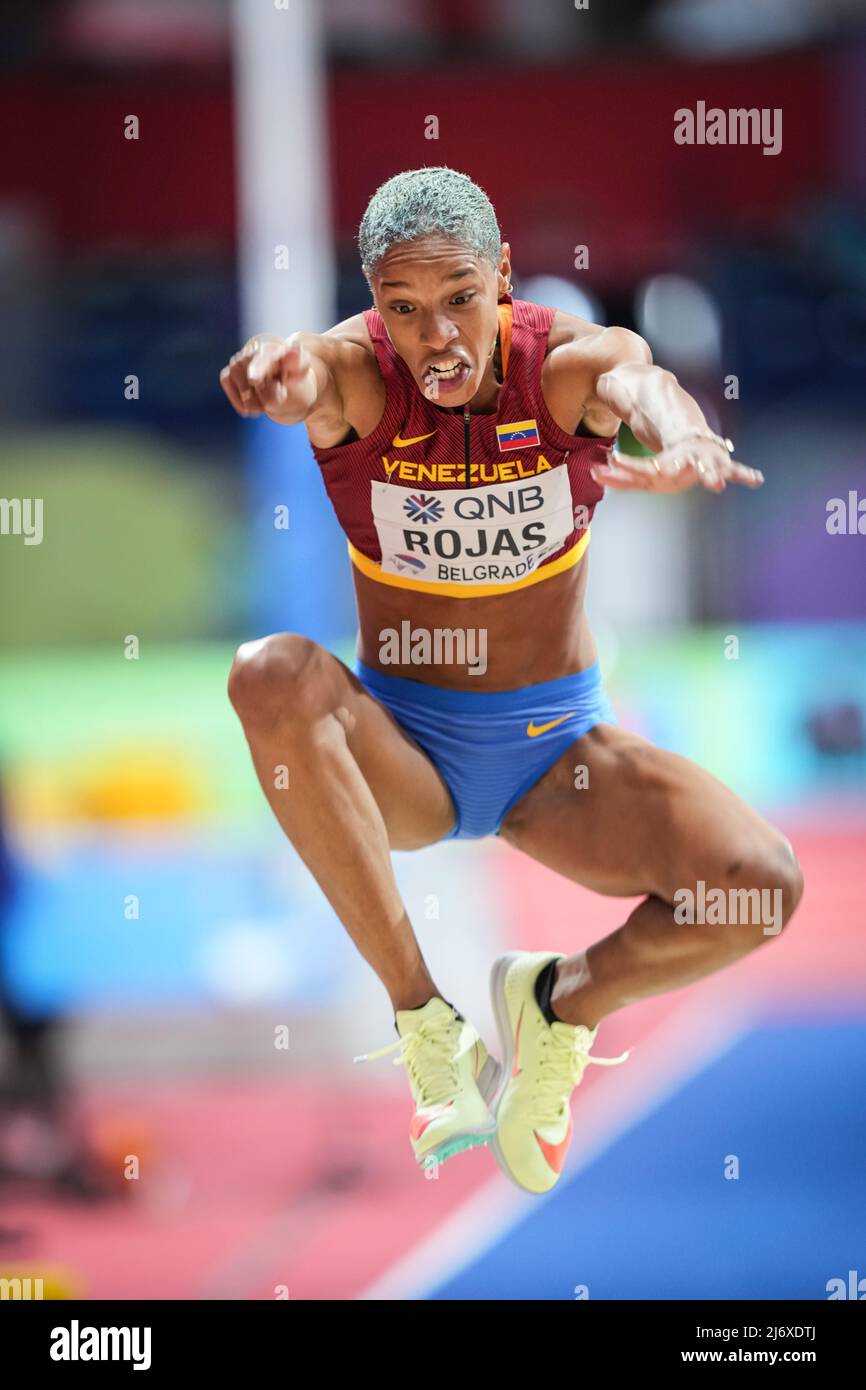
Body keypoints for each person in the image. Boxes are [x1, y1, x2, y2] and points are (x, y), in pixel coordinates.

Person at [220, 167, 803, 1195]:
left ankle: (558, 1004)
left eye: (456, 298)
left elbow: (637, 383)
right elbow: (307, 373)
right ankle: (423, 1018)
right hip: (403, 752)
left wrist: (680, 433)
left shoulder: (568, 364)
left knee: (759, 888)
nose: (434, 335)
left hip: (555, 759)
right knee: (268, 672)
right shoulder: (358, 375)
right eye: (401, 308)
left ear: (500, 277)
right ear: (371, 303)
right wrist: (278, 373)